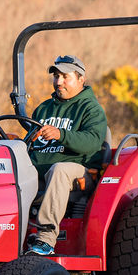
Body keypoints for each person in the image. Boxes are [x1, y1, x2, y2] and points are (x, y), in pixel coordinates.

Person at [25, 55, 108, 256]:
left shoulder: (91, 109)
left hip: (78, 170)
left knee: (59, 170)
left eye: (65, 76)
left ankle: (45, 239)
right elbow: (31, 143)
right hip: (39, 172)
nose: (58, 81)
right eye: (56, 76)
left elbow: (92, 141)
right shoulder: (44, 108)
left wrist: (60, 134)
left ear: (81, 79)